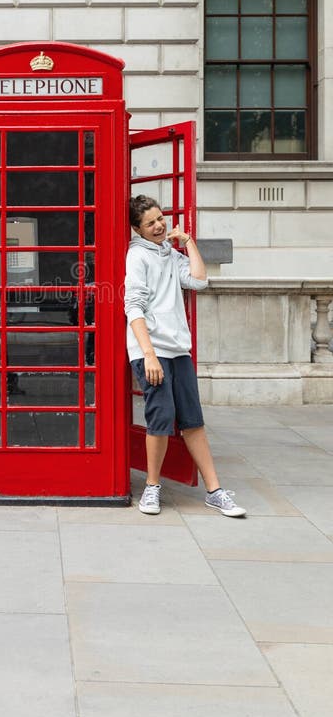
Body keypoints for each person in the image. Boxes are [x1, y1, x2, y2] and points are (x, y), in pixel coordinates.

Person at [124, 195, 245, 518]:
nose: (159, 225)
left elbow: (199, 281)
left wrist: (188, 241)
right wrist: (148, 355)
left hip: (178, 349)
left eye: (160, 218)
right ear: (137, 229)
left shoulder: (169, 253)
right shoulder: (137, 257)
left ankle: (215, 490)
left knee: (193, 421)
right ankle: (152, 487)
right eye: (150, 223)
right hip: (151, 350)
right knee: (161, 420)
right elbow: (132, 306)